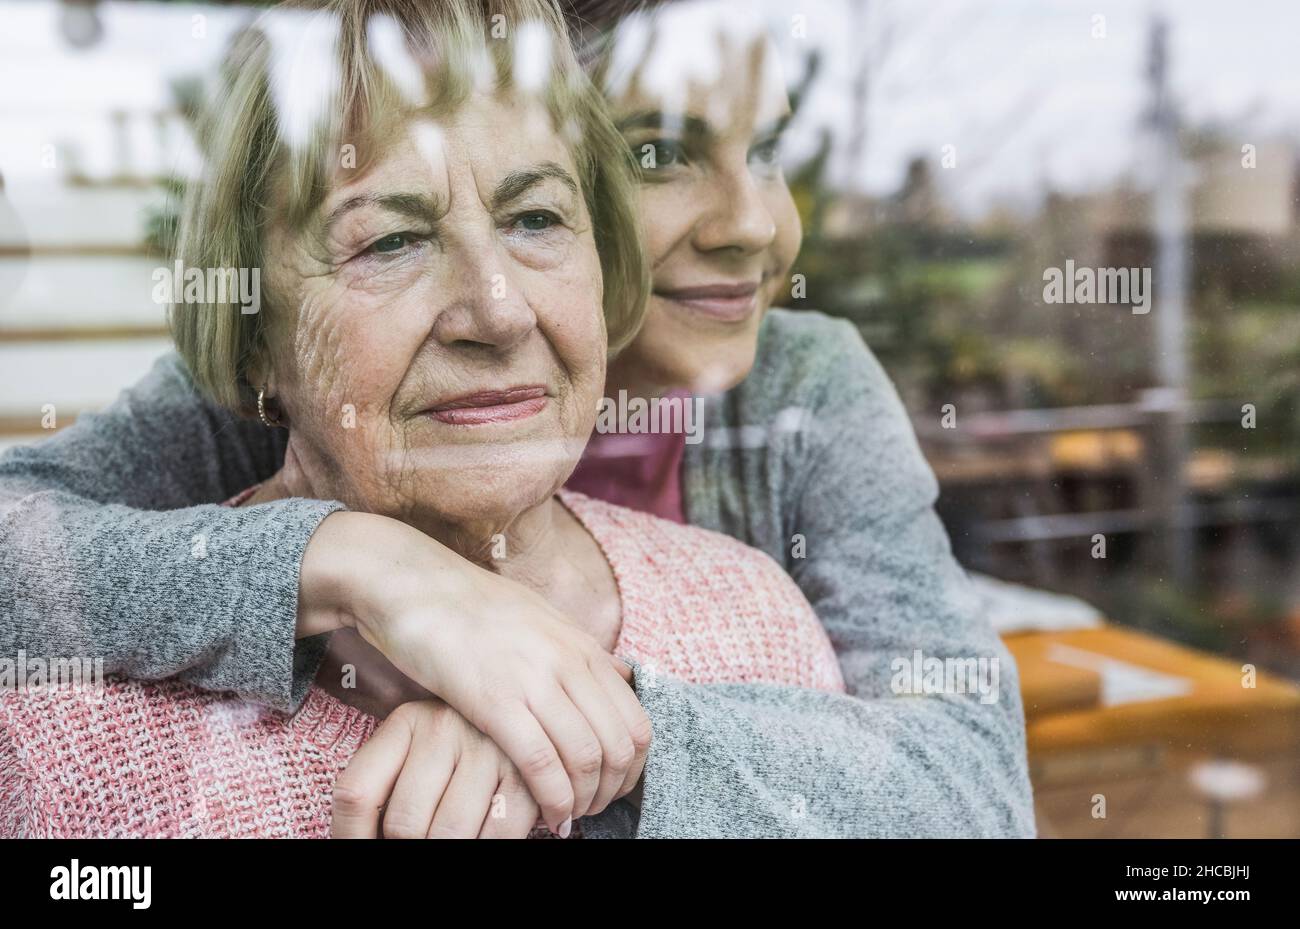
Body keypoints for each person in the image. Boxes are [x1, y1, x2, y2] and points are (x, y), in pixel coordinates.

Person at [0, 0, 1035, 837]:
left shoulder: (796, 400)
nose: (754, 224)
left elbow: (967, 783)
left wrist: (575, 733)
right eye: (661, 153)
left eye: (535, 216)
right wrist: (358, 561)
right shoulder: (260, 391)